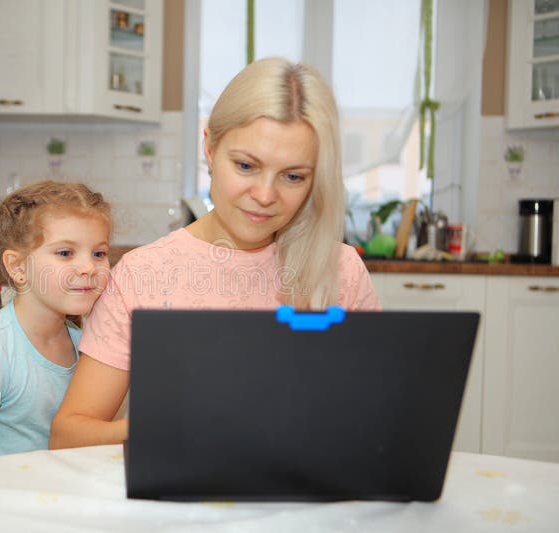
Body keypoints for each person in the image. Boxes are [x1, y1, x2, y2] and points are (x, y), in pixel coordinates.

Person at [49, 58, 381, 450]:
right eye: (245, 165)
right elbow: (68, 436)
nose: (264, 195)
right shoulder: (144, 273)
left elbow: (378, 421)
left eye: (293, 176)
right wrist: (163, 428)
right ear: (209, 147)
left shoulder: (341, 269)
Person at [0, 180, 112, 465]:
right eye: (65, 253)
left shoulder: (87, 346)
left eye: (99, 253)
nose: (89, 267)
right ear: (18, 267)